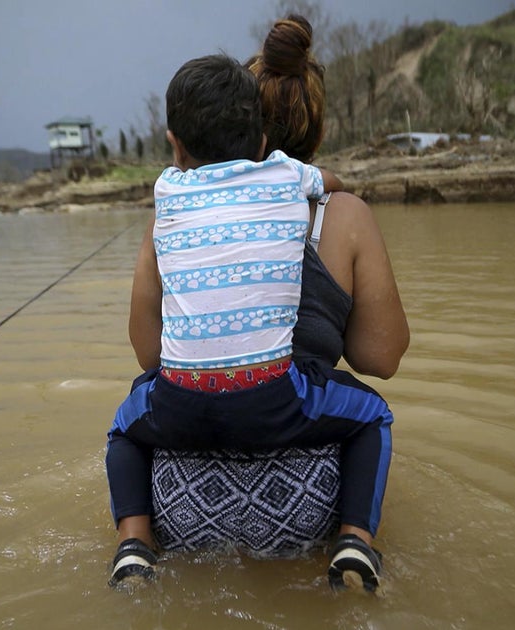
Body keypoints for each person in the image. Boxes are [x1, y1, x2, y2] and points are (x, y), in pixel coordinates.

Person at [106, 44, 405, 593]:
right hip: (305, 498)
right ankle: (357, 539)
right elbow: (381, 359)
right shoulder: (327, 204)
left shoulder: (168, 206)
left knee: (126, 417)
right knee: (372, 413)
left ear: (177, 145)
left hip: (181, 497)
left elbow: (150, 354)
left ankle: (132, 541)